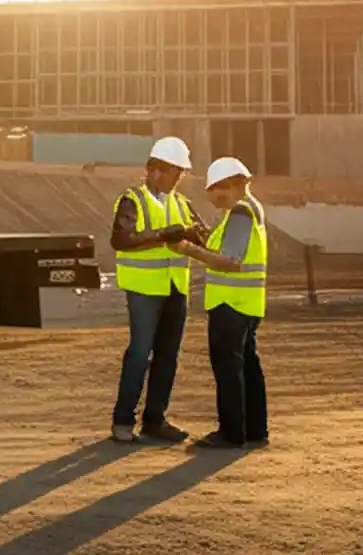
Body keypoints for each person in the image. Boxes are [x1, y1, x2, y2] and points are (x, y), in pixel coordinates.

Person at [109, 136, 210, 443]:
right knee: (140, 353)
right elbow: (122, 240)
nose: (177, 179)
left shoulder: (181, 203)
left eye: (180, 173)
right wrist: (167, 234)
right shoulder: (132, 201)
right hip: (143, 290)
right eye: (172, 172)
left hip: (175, 288)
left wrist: (196, 235)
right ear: (152, 169)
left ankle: (155, 420)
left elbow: (201, 235)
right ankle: (122, 421)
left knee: (168, 355)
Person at [172, 156, 269, 449]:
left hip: (232, 304)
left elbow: (231, 261)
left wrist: (188, 249)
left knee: (229, 368)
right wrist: (203, 242)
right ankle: (254, 429)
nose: (211, 197)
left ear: (231, 185)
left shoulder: (240, 213)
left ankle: (231, 432)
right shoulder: (247, 210)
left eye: (214, 191)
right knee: (247, 365)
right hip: (247, 303)